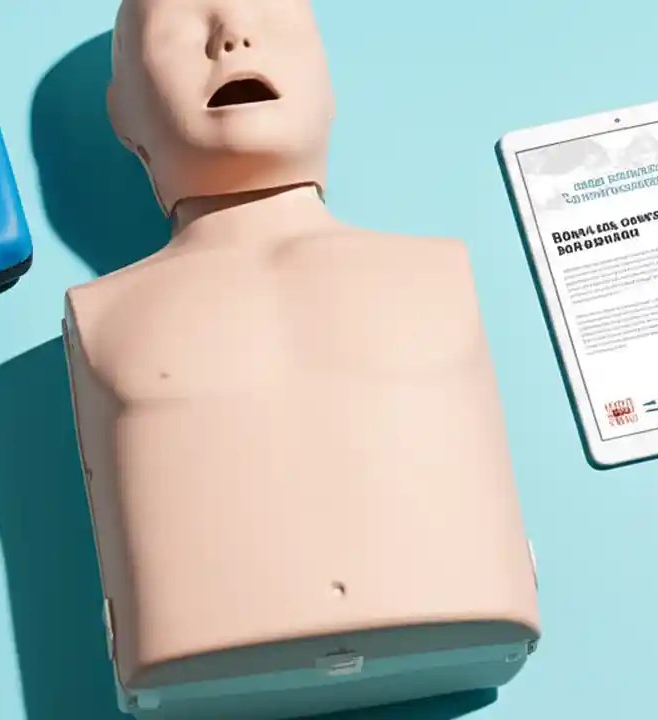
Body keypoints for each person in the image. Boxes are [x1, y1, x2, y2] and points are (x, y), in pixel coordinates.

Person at [62, 1, 540, 714]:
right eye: (180, 34)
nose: (233, 37)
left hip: (463, 631)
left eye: (274, 20)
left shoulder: (438, 270)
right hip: (192, 666)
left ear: (327, 80)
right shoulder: (103, 313)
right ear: (123, 111)